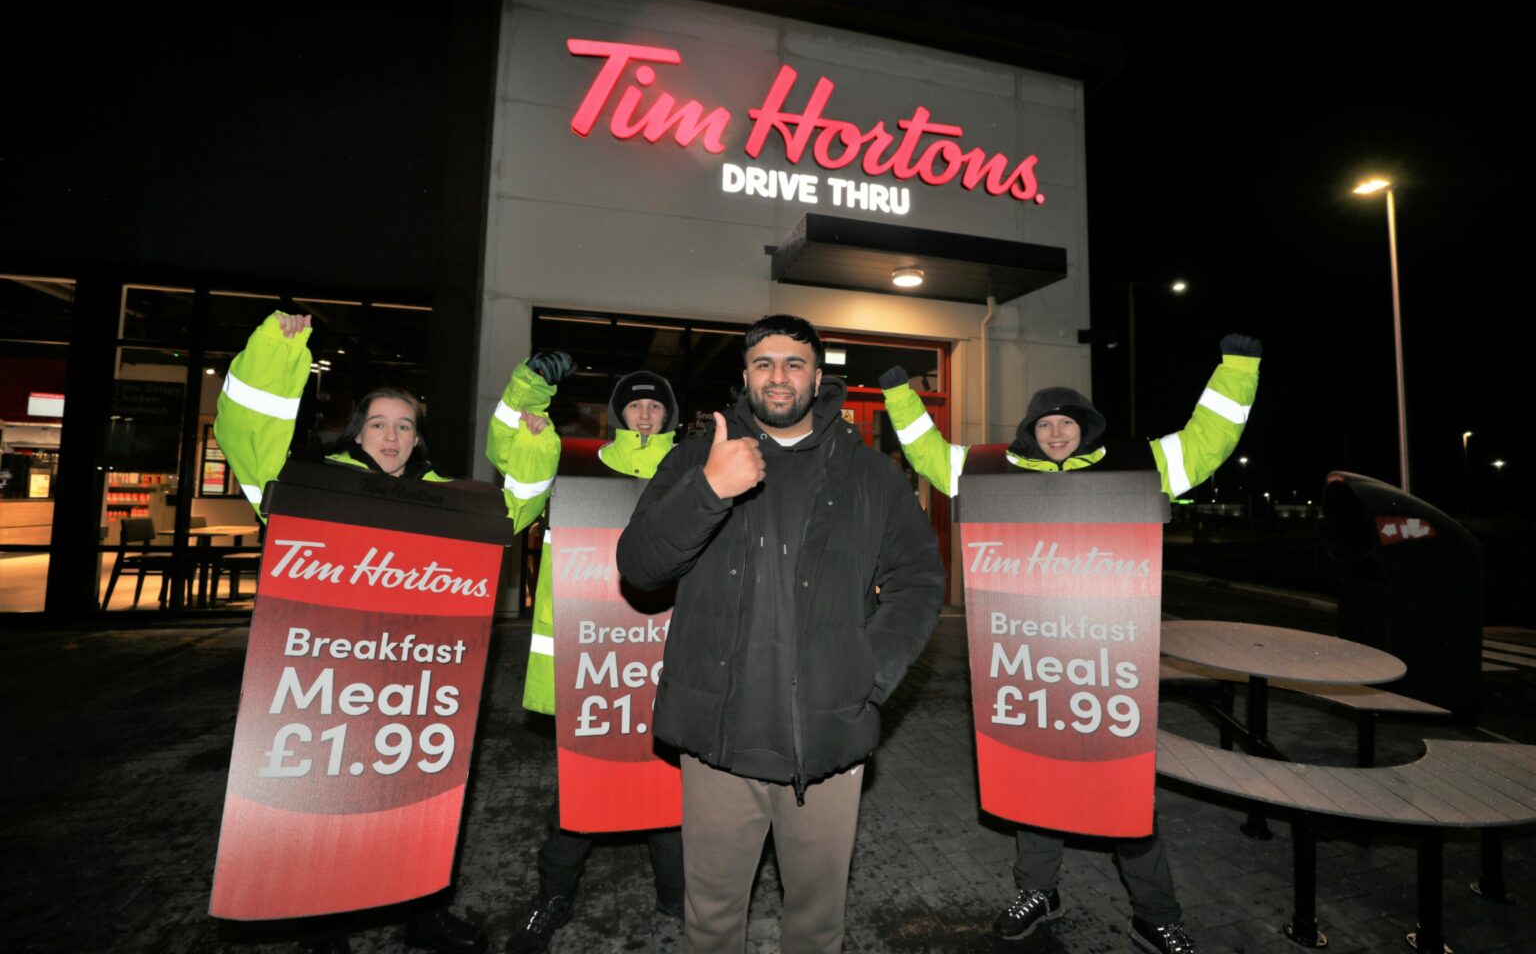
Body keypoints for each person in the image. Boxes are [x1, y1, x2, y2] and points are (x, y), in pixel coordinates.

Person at [878, 332, 1261, 954]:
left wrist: (1237, 369)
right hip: (1029, 661)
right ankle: (1040, 891)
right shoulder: (993, 470)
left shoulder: (1136, 464)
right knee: (1033, 777)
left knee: (1125, 791)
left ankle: (1154, 913)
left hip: (1108, 664)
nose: (1057, 432)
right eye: (1046, 424)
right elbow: (928, 453)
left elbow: (1207, 440)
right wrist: (899, 395)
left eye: (1068, 422)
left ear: (1087, 426)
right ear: (1031, 431)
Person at [214, 311, 571, 954]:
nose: (392, 435)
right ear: (357, 430)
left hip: (417, 682)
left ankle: (422, 915)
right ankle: (322, 934)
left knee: (416, 800)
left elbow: (515, 507)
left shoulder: (444, 500)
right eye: (378, 422)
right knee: (323, 798)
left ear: (417, 438)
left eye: (404, 425)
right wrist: (274, 353)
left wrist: (537, 439)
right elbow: (249, 441)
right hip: (329, 679)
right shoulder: (320, 486)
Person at [616, 314, 945, 953]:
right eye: (764, 363)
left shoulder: (870, 474)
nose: (778, 376)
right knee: (710, 920)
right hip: (717, 739)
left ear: (817, 377)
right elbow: (640, 566)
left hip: (826, 741)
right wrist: (710, 488)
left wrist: (867, 675)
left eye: (795, 363)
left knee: (818, 925)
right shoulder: (695, 457)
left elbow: (919, 581)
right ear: (745, 375)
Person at [494, 370, 686, 953]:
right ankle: (554, 896)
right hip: (593, 658)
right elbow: (515, 498)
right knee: (584, 785)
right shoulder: (578, 462)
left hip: (669, 656)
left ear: (670, 414)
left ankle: (678, 900)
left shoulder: (694, 467)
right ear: (618, 414)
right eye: (635, 406)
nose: (646, 415)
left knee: (670, 788)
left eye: (657, 405)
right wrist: (527, 424)